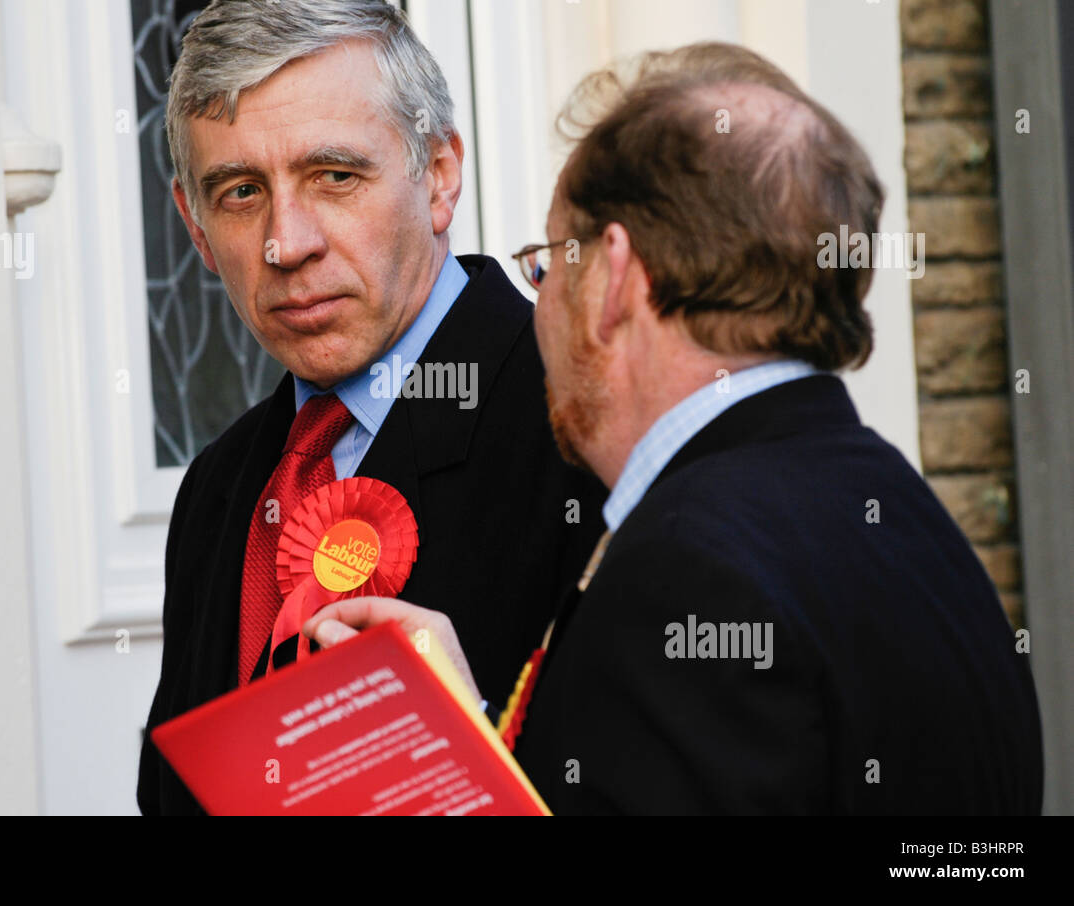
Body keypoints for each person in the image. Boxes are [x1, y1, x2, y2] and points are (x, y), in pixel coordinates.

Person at [305, 42, 1044, 814]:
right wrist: (476, 737)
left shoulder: (684, 572)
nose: (541, 305)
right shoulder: (908, 515)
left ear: (613, 275)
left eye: (550, 263)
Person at [136, 0, 606, 815]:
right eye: (241, 193)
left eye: (334, 176)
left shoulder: (581, 422)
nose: (287, 243)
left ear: (439, 175)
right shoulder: (216, 486)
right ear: (194, 227)